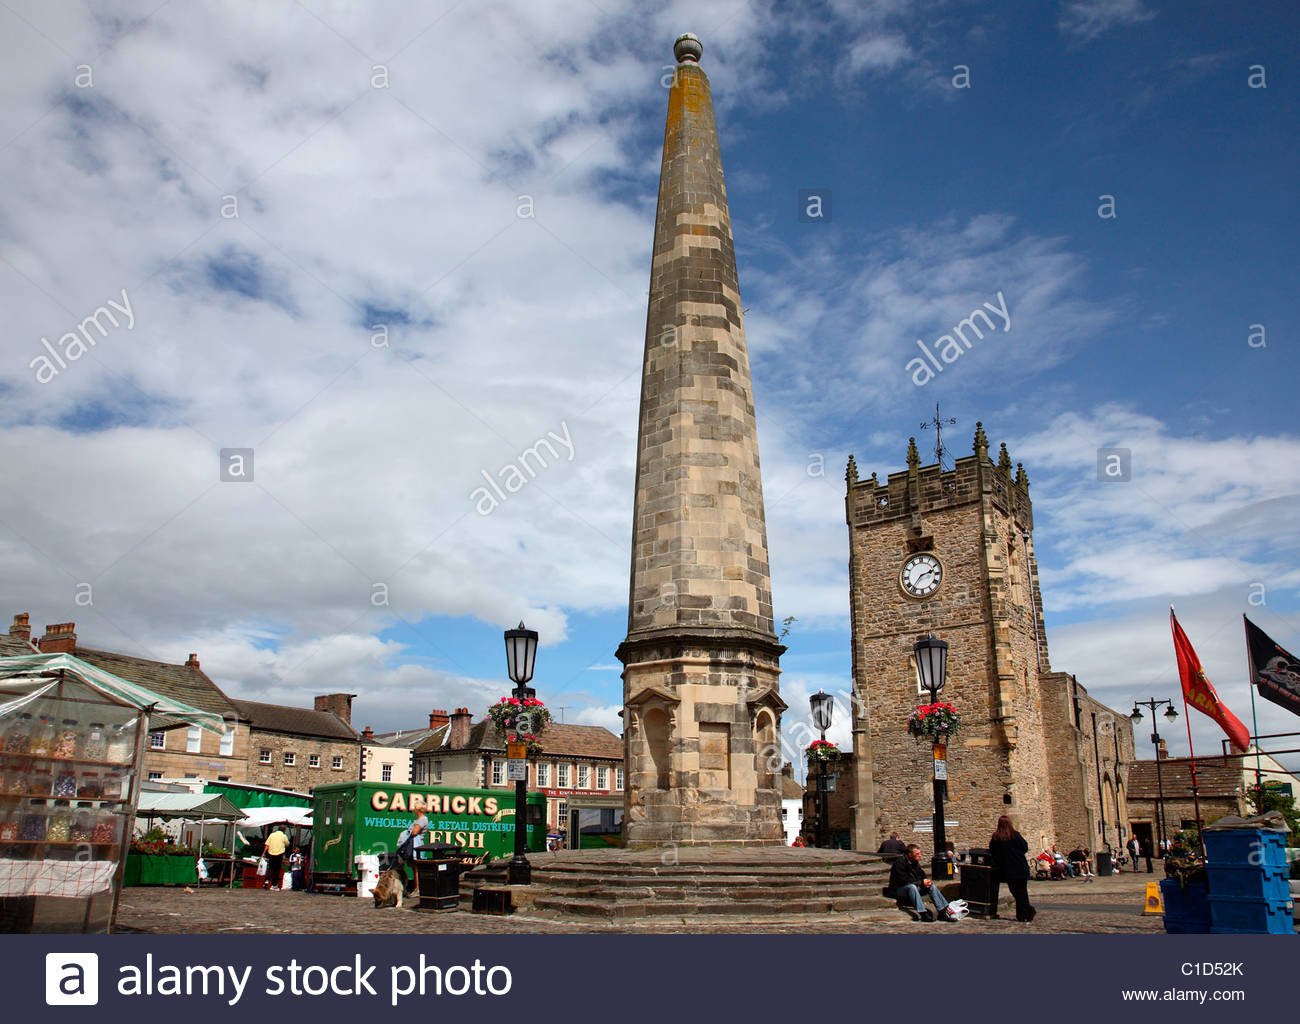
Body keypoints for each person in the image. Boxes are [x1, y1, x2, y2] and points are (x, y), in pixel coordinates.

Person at [887, 843, 957, 922]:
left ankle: (943, 911)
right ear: (910, 854)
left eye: (920, 853)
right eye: (917, 854)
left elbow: (922, 876)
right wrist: (920, 882)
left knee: (931, 886)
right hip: (899, 889)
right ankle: (923, 913)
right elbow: (903, 880)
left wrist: (926, 881)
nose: (920, 855)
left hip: (914, 886)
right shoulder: (899, 863)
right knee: (911, 887)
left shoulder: (915, 863)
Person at [989, 815, 1034, 923]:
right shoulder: (1015, 835)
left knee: (1015, 892)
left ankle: (1024, 913)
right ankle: (1026, 912)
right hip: (1020, 867)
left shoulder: (996, 838)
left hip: (1007, 869)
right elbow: (1024, 847)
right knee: (1022, 892)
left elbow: (993, 852)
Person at [393, 814, 428, 895]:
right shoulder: (419, 819)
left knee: (416, 868)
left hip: (415, 845)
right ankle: (415, 888)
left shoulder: (422, 819)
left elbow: (414, 832)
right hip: (411, 845)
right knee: (413, 867)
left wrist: (407, 833)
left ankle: (418, 889)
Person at [262, 826, 290, 891]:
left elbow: (267, 845)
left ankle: (266, 881)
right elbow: (287, 844)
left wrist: (263, 853)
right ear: (284, 830)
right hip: (279, 854)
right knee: (276, 870)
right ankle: (274, 885)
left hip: (271, 854)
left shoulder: (272, 835)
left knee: (270, 868)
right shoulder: (283, 836)